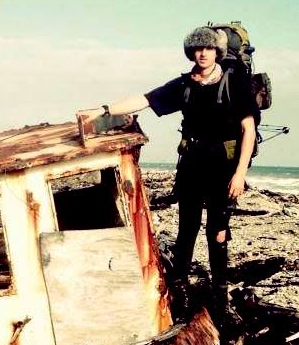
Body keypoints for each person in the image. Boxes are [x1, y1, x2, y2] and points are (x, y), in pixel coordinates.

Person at [88, 26, 258, 326]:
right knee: (187, 229)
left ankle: (220, 299)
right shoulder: (184, 85)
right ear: (190, 52)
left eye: (207, 49)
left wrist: (240, 174)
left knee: (217, 233)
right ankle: (178, 292)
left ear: (217, 51)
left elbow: (248, 130)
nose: (202, 54)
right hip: (192, 164)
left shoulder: (235, 82)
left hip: (223, 167)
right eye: (196, 49)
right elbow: (145, 99)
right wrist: (103, 109)